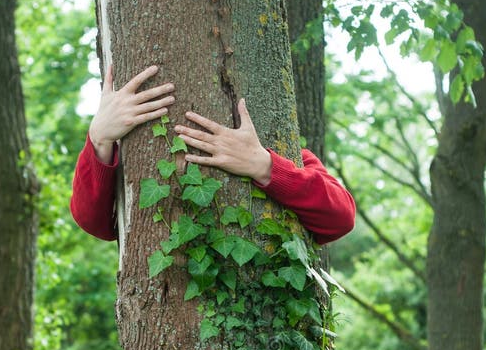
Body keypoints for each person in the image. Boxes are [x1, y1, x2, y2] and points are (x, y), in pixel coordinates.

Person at [70, 65, 355, 244]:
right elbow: (94, 222)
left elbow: (341, 217)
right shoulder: (124, 150)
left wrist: (265, 166)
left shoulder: (290, 156)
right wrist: (98, 138)